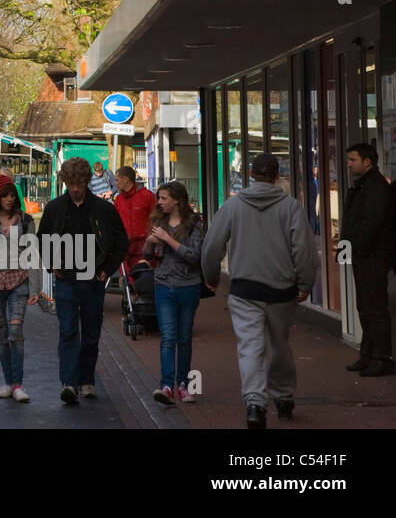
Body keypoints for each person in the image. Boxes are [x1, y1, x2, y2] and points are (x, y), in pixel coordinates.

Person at [201, 153, 318, 428]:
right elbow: (304, 249)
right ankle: (284, 398)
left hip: (245, 289)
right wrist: (304, 283)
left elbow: (212, 244)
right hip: (281, 290)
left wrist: (211, 276)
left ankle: (255, 403)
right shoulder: (290, 207)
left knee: (250, 347)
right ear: (277, 176)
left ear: (250, 175)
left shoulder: (233, 206)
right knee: (280, 345)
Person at [37, 157, 128, 405]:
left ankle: (86, 379)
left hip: (93, 278)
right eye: (71, 183)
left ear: (87, 181)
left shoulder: (103, 209)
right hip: (65, 278)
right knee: (67, 331)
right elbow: (41, 239)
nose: (75, 188)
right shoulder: (55, 208)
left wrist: (107, 270)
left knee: (90, 333)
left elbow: (121, 241)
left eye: (79, 183)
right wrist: (51, 264)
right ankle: (69, 382)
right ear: (65, 182)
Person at [0, 174, 38, 402]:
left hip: (19, 282)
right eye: (5, 195)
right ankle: (9, 382)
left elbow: (33, 255)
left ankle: (18, 384)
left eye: (12, 195)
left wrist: (35, 288)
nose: (10, 199)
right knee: (1, 336)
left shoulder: (26, 221)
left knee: (15, 333)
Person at [143, 181, 205, 405]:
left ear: (176, 200)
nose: (159, 202)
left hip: (188, 286)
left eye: (164, 198)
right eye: (159, 198)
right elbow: (148, 256)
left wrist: (167, 239)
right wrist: (150, 244)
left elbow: (194, 255)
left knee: (184, 337)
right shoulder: (158, 222)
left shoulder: (193, 225)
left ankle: (184, 384)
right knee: (168, 337)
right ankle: (166, 385)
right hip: (163, 284)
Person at [340, 143, 395, 376]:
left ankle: (382, 358)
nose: (349, 164)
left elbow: (370, 223)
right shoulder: (363, 186)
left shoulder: (376, 187)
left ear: (367, 162)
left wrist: (357, 248)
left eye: (353, 160)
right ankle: (368, 355)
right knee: (365, 307)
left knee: (375, 308)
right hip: (363, 254)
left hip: (372, 255)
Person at [113, 166, 156, 271]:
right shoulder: (118, 200)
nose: (115, 183)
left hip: (144, 247)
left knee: (143, 279)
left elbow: (157, 219)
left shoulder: (147, 196)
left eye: (117, 180)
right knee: (127, 282)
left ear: (126, 180)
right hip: (125, 249)